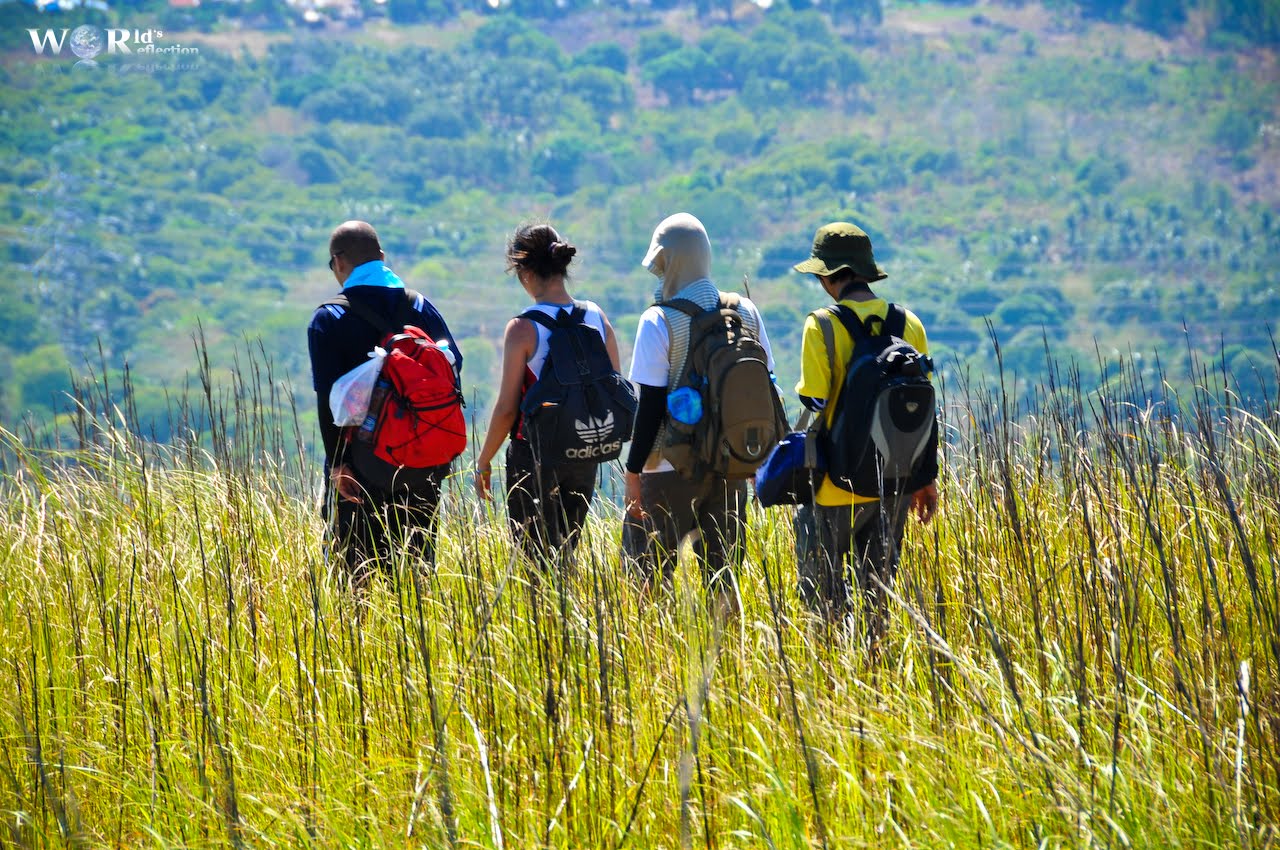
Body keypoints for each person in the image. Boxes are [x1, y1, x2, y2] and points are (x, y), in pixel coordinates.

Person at [792, 222, 939, 640]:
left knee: (821, 598)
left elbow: (815, 400)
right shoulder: (909, 324)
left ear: (828, 276)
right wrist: (925, 479)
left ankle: (828, 668)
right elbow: (922, 408)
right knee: (878, 598)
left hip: (835, 486)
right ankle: (874, 663)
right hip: (894, 482)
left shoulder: (821, 325)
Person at [622, 212, 778, 596]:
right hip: (731, 463)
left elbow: (650, 407)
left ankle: (651, 637)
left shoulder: (658, 320)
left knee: (648, 578)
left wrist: (633, 472)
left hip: (667, 467)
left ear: (668, 262)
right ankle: (728, 637)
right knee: (724, 581)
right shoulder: (745, 312)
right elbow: (766, 385)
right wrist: (758, 457)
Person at [307, 220, 463, 582]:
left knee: (353, 576)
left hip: (360, 465)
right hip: (422, 461)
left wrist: (338, 465)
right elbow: (452, 367)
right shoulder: (419, 306)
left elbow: (328, 400)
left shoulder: (329, 317)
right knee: (415, 573)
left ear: (338, 262)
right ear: (381, 256)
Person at [475, 224, 623, 565]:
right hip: (585, 451)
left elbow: (507, 409)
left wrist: (483, 462)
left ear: (524, 272)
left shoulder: (523, 328)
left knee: (533, 563)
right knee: (565, 556)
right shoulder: (596, 316)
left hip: (534, 456)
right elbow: (616, 386)